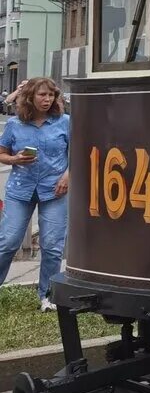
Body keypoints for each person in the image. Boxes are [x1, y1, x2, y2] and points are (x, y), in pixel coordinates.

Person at [0, 78, 71, 311]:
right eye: (42, 95)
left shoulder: (65, 123)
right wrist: (14, 159)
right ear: (30, 97)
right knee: (8, 242)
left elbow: (80, 151)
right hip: (20, 189)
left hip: (55, 190)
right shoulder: (14, 125)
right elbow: (2, 152)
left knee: (52, 245)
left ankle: (48, 296)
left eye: (50, 95)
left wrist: (67, 175)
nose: (47, 99)